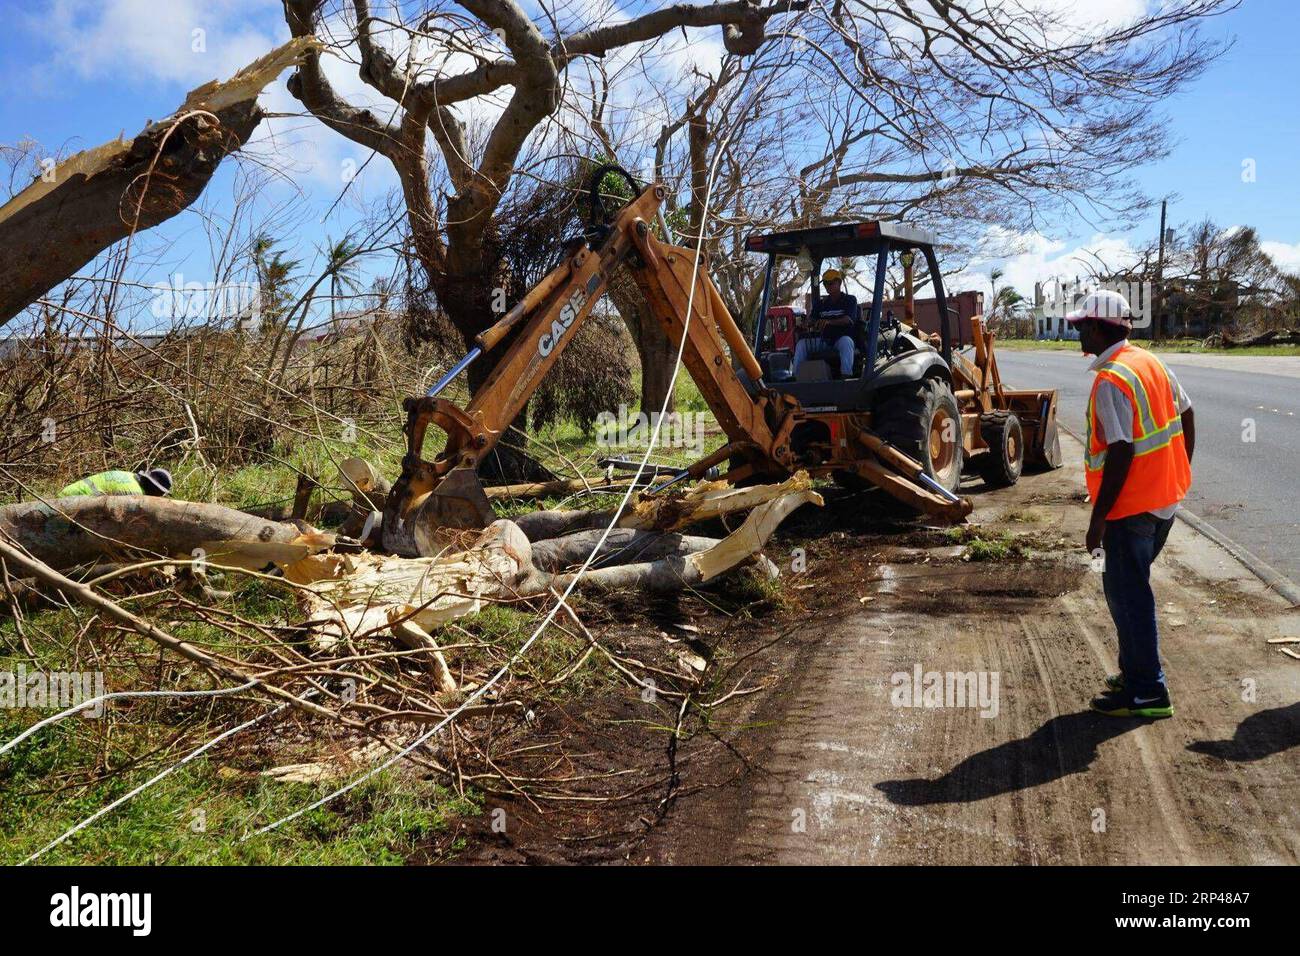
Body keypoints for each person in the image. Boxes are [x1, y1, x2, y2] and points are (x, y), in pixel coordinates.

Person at [1068, 290, 1194, 719]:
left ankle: (1148, 692)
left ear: (1102, 327)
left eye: (1081, 324)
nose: (1076, 331)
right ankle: (1135, 674)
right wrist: (1178, 472)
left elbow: (1120, 452)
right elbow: (1187, 412)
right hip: (1163, 504)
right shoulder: (1149, 362)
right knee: (1128, 593)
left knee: (1128, 598)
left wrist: (1097, 521)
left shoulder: (1111, 381)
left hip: (1130, 511)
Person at [792, 268, 861, 377]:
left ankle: (846, 376)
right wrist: (806, 324)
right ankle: (795, 376)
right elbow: (812, 319)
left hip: (840, 339)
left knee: (847, 342)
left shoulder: (850, 300)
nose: (827, 285)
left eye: (831, 283)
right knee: (801, 345)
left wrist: (829, 322)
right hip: (824, 340)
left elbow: (849, 320)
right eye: (825, 283)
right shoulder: (820, 303)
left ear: (839, 283)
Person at [59, 468, 174, 498]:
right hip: (73, 504)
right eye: (160, 493)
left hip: (67, 493)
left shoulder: (129, 476)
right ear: (154, 488)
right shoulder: (135, 495)